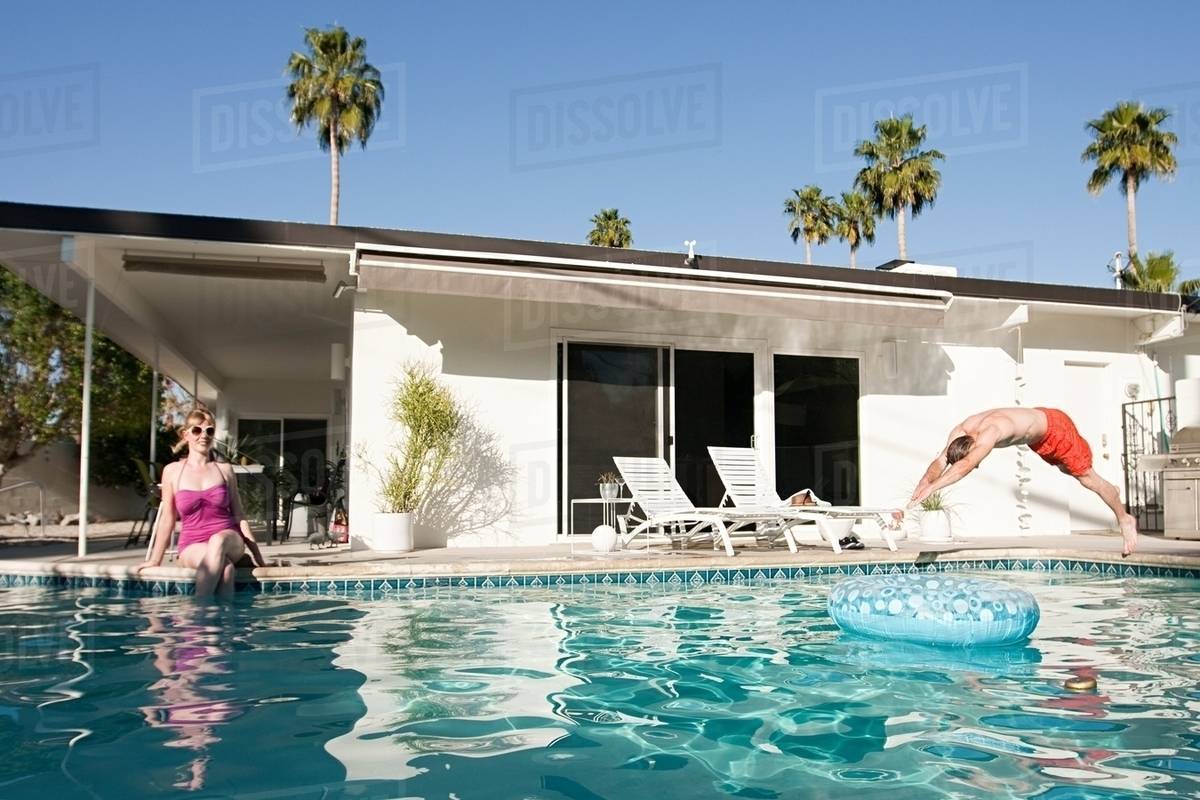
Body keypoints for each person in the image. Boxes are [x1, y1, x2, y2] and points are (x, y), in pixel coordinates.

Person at [908, 407, 1138, 556]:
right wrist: (923, 484)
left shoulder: (991, 433)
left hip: (1056, 430)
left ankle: (1124, 518)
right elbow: (940, 461)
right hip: (1038, 436)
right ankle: (1110, 490)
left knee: (1087, 478)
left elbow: (964, 467)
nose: (977, 464)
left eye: (977, 461)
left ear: (974, 451)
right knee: (1064, 468)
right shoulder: (960, 432)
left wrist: (935, 487)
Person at [137, 408, 266, 596]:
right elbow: (167, 519)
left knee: (218, 540)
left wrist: (258, 556)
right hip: (192, 543)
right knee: (227, 570)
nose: (203, 436)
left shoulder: (224, 470)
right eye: (197, 430)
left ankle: (199, 613)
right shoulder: (172, 471)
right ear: (186, 434)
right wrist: (155, 560)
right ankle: (223, 622)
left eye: (209, 431)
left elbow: (239, 515)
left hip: (229, 538)